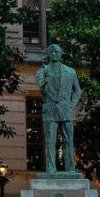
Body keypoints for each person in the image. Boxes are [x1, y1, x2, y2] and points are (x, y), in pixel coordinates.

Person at [36, 43, 81, 173]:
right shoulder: (42, 71)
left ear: (61, 54)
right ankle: (51, 166)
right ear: (48, 54)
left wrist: (72, 105)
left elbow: (77, 91)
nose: (54, 54)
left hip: (66, 109)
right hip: (50, 109)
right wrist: (45, 80)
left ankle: (70, 168)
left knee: (68, 140)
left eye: (56, 52)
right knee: (50, 140)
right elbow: (41, 89)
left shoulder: (70, 72)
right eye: (51, 52)